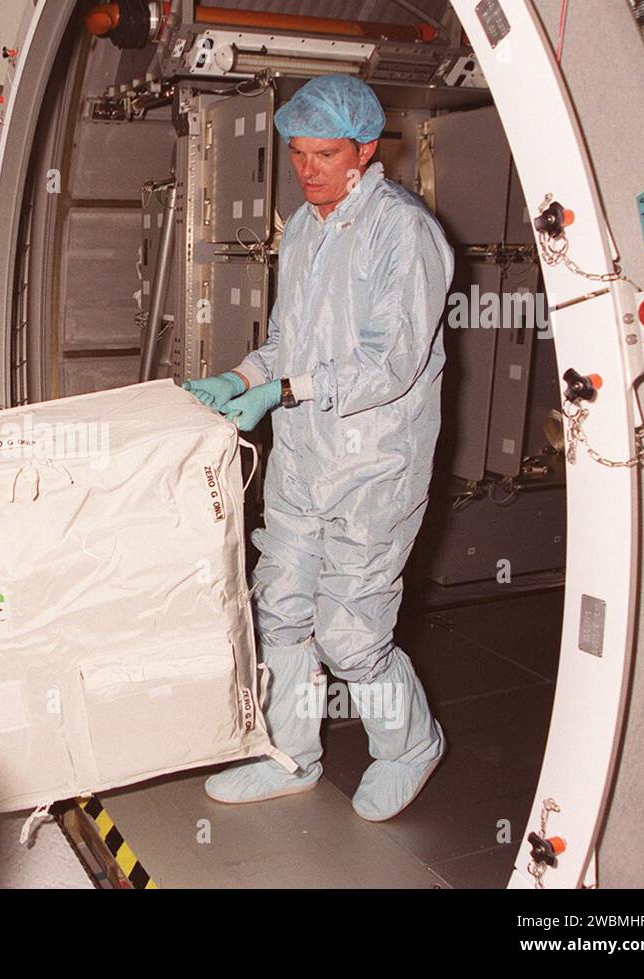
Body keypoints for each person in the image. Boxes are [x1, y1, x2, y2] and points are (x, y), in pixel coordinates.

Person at [184, 75, 453, 822]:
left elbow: (390, 362)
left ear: (366, 149)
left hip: (375, 465)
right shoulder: (302, 227)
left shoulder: (404, 232)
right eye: (298, 153)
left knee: (351, 629)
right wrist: (240, 375)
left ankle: (409, 745)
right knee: (279, 608)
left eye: (326, 154)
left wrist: (286, 390)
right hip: (303, 458)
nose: (308, 170)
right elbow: (286, 343)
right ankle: (290, 755)